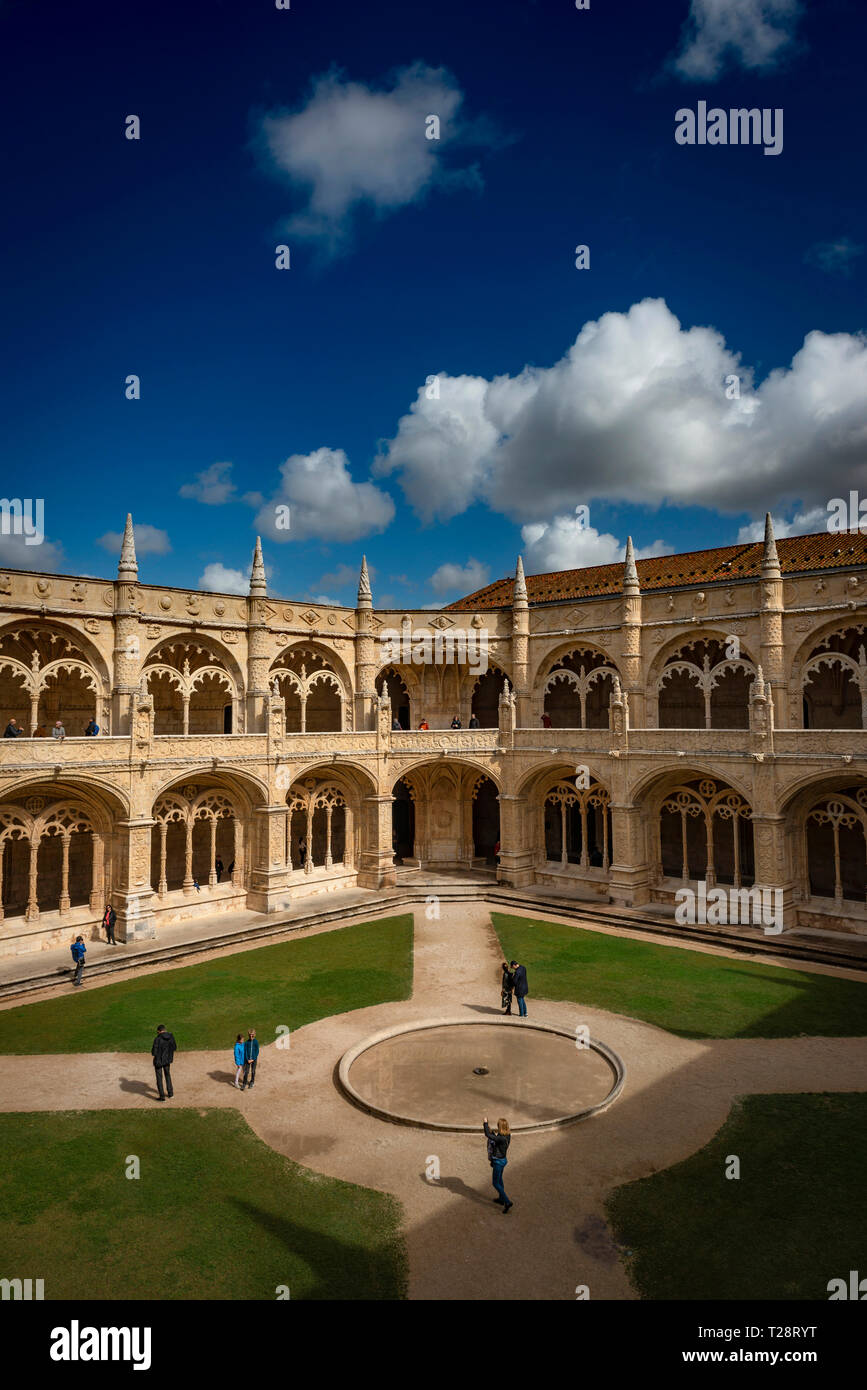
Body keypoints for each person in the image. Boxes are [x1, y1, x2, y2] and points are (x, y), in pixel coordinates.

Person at [483, 1116, 513, 1213]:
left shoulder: (500, 1138)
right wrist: (491, 1131)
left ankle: (507, 1201)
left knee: (495, 1183)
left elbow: (488, 1135)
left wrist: (485, 1123)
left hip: (498, 1162)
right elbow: (494, 1136)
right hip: (503, 1160)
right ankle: (501, 1199)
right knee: (499, 1180)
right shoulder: (507, 1135)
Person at [151, 1024, 177, 1101]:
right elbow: (174, 1047)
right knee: (168, 1075)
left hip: (158, 1061)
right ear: (165, 1030)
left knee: (159, 1078)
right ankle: (170, 1094)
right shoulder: (171, 1037)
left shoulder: (157, 1039)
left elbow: (154, 1053)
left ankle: (162, 1097)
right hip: (167, 1060)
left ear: (159, 1031)